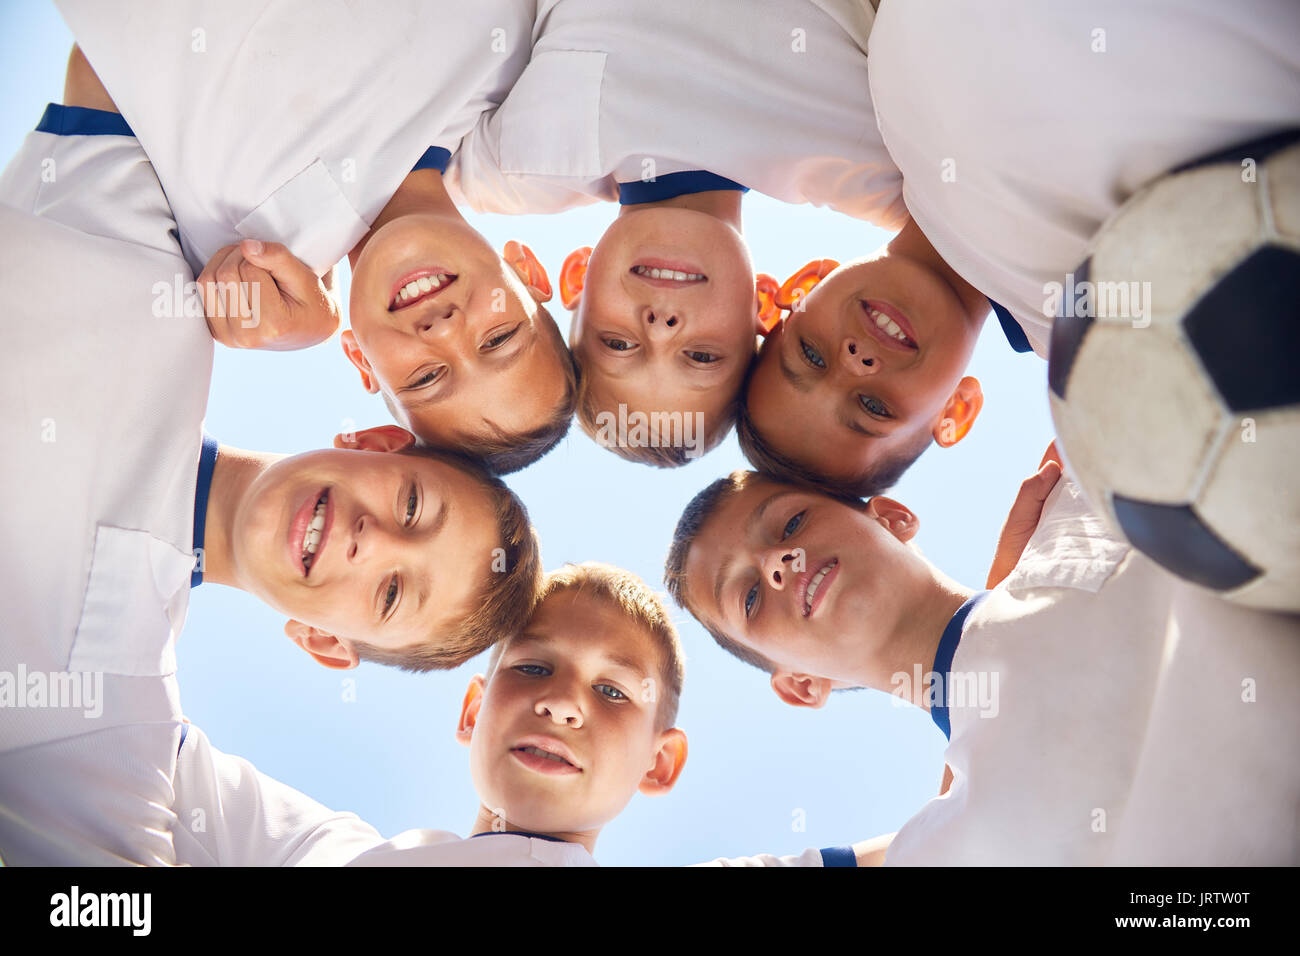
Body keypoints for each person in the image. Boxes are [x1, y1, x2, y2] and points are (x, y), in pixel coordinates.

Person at [0, 62, 538, 866]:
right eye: (412, 507)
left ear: (325, 644)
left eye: (393, 592)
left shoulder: (113, 726)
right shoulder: (164, 289)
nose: (371, 539)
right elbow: (120, 61)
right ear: (377, 444)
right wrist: (286, 232)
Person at [736, 0, 1300, 497]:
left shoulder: (881, 96)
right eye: (873, 408)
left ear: (804, 285)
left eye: (810, 355)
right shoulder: (1094, 334)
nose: (854, 364)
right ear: (956, 410)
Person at [662, 464, 1300, 864]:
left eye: (791, 521)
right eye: (748, 596)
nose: (779, 563)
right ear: (801, 685)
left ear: (890, 514)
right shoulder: (942, 846)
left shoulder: (1075, 493)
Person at [53, 1, 578, 473]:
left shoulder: (228, 250)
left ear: (358, 359)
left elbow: (98, 68)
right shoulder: (510, 62)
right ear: (529, 274)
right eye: (498, 339)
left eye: (425, 378)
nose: (444, 331)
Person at [165, 564, 877, 866]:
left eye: (614, 692)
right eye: (533, 667)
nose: (562, 703)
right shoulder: (324, 853)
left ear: (660, 763)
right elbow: (145, 753)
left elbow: (947, 846)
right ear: (474, 709)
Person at [445, 0, 906, 464]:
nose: (661, 329)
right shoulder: (874, 170)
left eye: (619, 344)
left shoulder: (511, 168)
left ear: (576, 279)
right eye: (701, 357)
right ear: (764, 306)